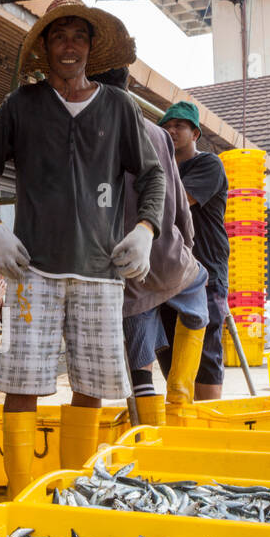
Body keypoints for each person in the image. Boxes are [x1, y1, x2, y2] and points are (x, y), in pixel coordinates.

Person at [0, 0, 164, 495]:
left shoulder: (119, 107)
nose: (69, 45)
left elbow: (153, 175)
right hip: (32, 271)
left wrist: (145, 230)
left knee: (92, 387)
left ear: (92, 46)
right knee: (21, 383)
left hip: (100, 270)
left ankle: (76, 491)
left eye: (78, 35)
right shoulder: (22, 106)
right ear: (46, 47)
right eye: (59, 36)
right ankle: (20, 493)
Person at [89, 66, 205, 427]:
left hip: (121, 267)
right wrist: (183, 244)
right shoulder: (157, 134)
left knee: (140, 351)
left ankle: (148, 424)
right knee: (197, 286)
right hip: (166, 254)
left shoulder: (87, 133)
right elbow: (181, 208)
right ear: (127, 84)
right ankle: (179, 403)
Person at [157, 102, 229, 401]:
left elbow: (175, 203)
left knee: (205, 353)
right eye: (167, 126)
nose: (171, 130)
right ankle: (182, 418)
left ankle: (206, 425)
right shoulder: (161, 169)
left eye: (179, 126)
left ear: (195, 132)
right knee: (171, 352)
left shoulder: (208, 165)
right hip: (167, 271)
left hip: (204, 271)